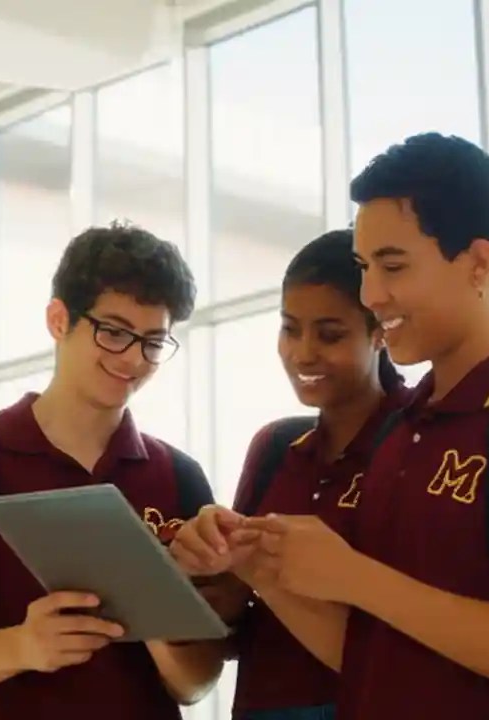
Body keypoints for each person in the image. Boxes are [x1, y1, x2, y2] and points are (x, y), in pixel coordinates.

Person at [244, 133, 489, 719]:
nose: (371, 294)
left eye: (392, 266)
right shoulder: (401, 428)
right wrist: (264, 566)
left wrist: (356, 577)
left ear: (477, 264)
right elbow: (371, 656)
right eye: (366, 268)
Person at [0, 222, 223, 719]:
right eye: (114, 332)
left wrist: (152, 602)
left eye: (152, 342)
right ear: (59, 320)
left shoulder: (178, 477)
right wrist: (24, 647)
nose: (133, 360)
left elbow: (196, 683)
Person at [168, 229, 410, 720]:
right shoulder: (276, 449)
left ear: (379, 330)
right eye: (289, 328)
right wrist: (203, 572)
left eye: (330, 334)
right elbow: (237, 618)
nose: (302, 353)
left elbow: (411, 643)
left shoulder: (419, 446)